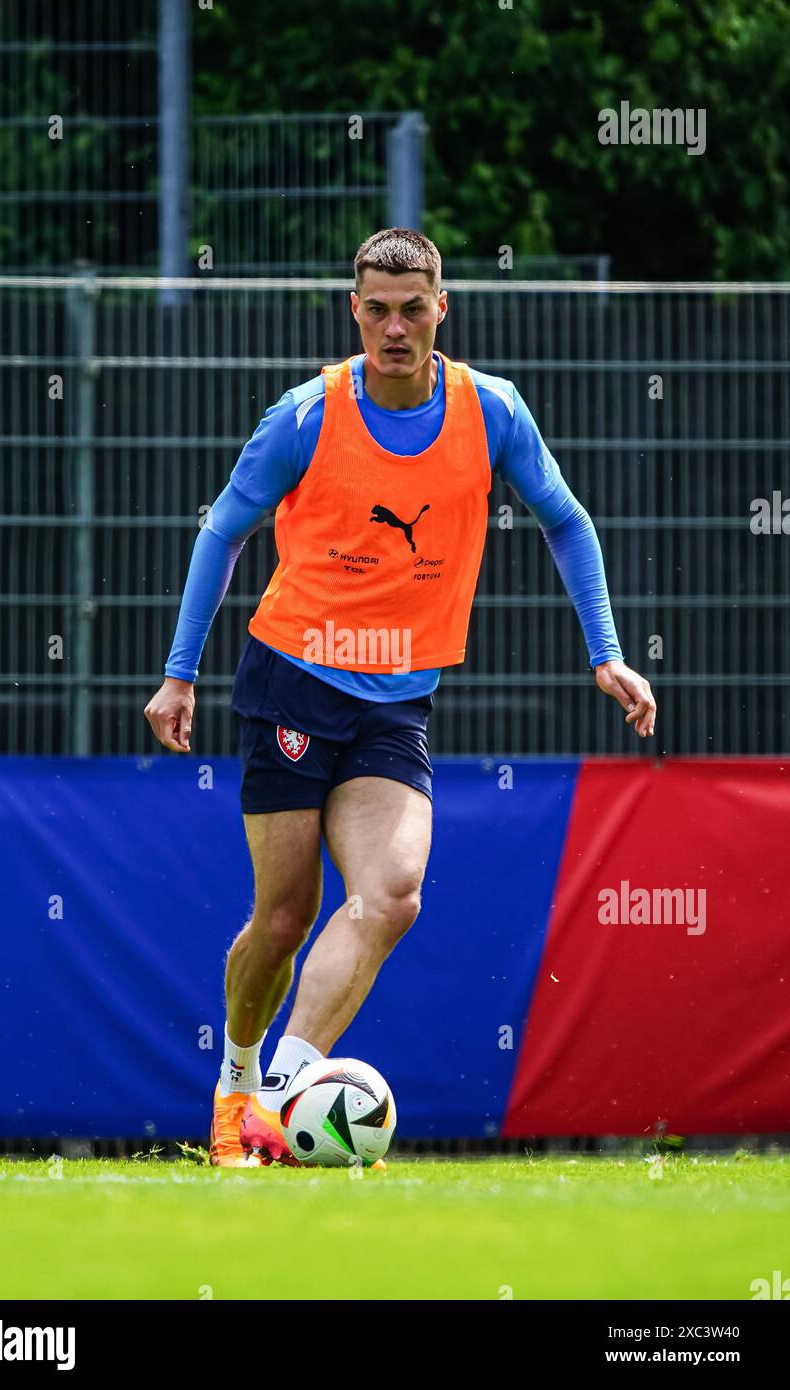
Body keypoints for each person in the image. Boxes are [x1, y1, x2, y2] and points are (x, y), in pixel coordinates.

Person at [144, 227, 656, 1166]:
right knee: (284, 919)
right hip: (291, 681)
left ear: (442, 310)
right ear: (354, 311)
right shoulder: (304, 416)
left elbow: (567, 521)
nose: (393, 327)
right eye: (376, 309)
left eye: (412, 308)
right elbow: (221, 532)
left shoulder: (491, 410)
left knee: (392, 895)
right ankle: (239, 1074)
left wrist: (607, 653)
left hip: (396, 701)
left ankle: (285, 1096)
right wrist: (180, 673)